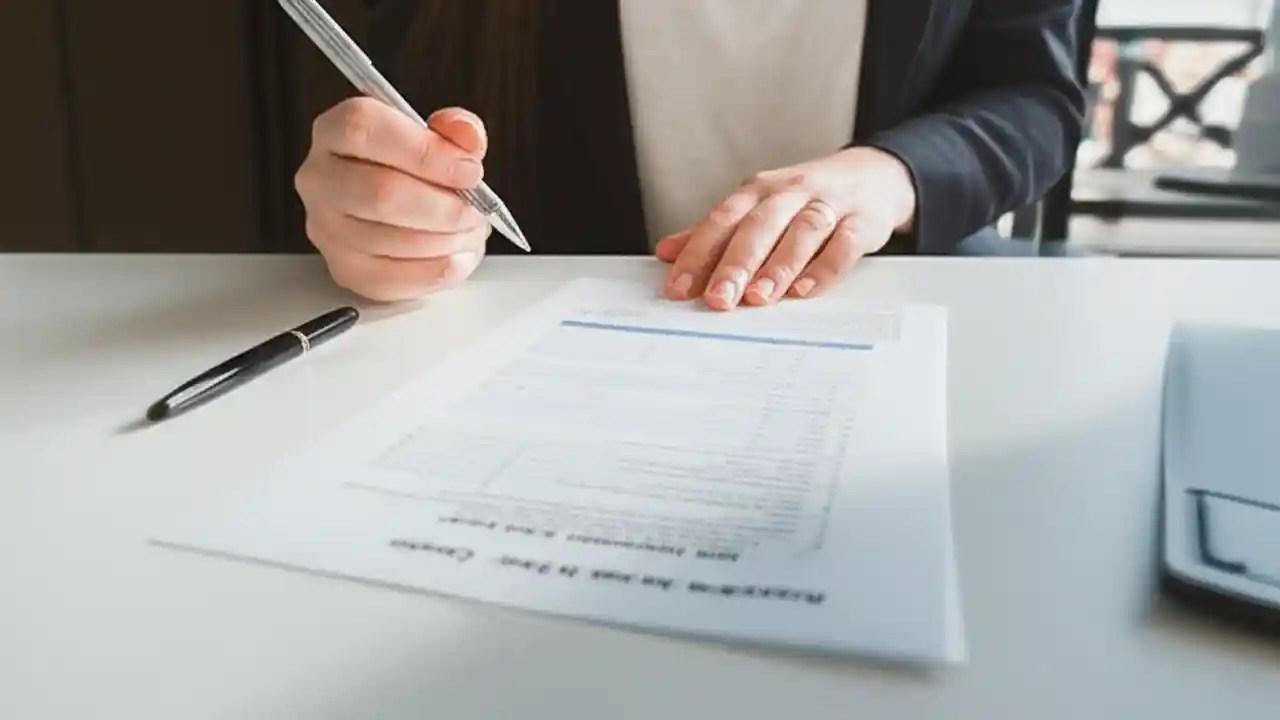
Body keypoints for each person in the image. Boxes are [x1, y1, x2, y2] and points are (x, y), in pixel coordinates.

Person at [294, 0, 1085, 309]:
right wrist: (390, 210)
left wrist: (891, 176)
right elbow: (421, 119)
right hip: (556, 339)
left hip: (901, 309)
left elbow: (1036, 96)